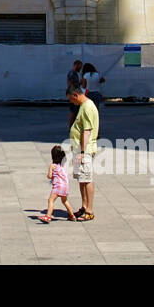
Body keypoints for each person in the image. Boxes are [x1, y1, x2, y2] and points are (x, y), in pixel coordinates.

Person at [67, 84, 99, 221]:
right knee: (81, 179)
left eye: (71, 99)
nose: (71, 102)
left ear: (76, 95)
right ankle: (84, 206)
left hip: (84, 150)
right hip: (79, 149)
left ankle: (89, 210)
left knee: (87, 179)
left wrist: (82, 152)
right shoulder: (83, 106)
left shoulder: (87, 107)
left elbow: (87, 131)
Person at [37, 145, 75, 223]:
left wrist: (50, 176)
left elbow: (49, 176)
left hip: (57, 186)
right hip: (65, 186)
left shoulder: (52, 166)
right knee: (65, 201)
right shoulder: (63, 166)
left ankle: (48, 216)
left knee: (51, 200)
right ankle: (72, 215)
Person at [66, 59, 84, 127]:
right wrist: (80, 83)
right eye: (80, 66)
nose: (80, 68)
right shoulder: (72, 73)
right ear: (76, 65)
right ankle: (71, 127)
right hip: (73, 93)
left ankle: (73, 126)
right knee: (73, 111)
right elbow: (70, 84)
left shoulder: (74, 73)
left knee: (75, 111)